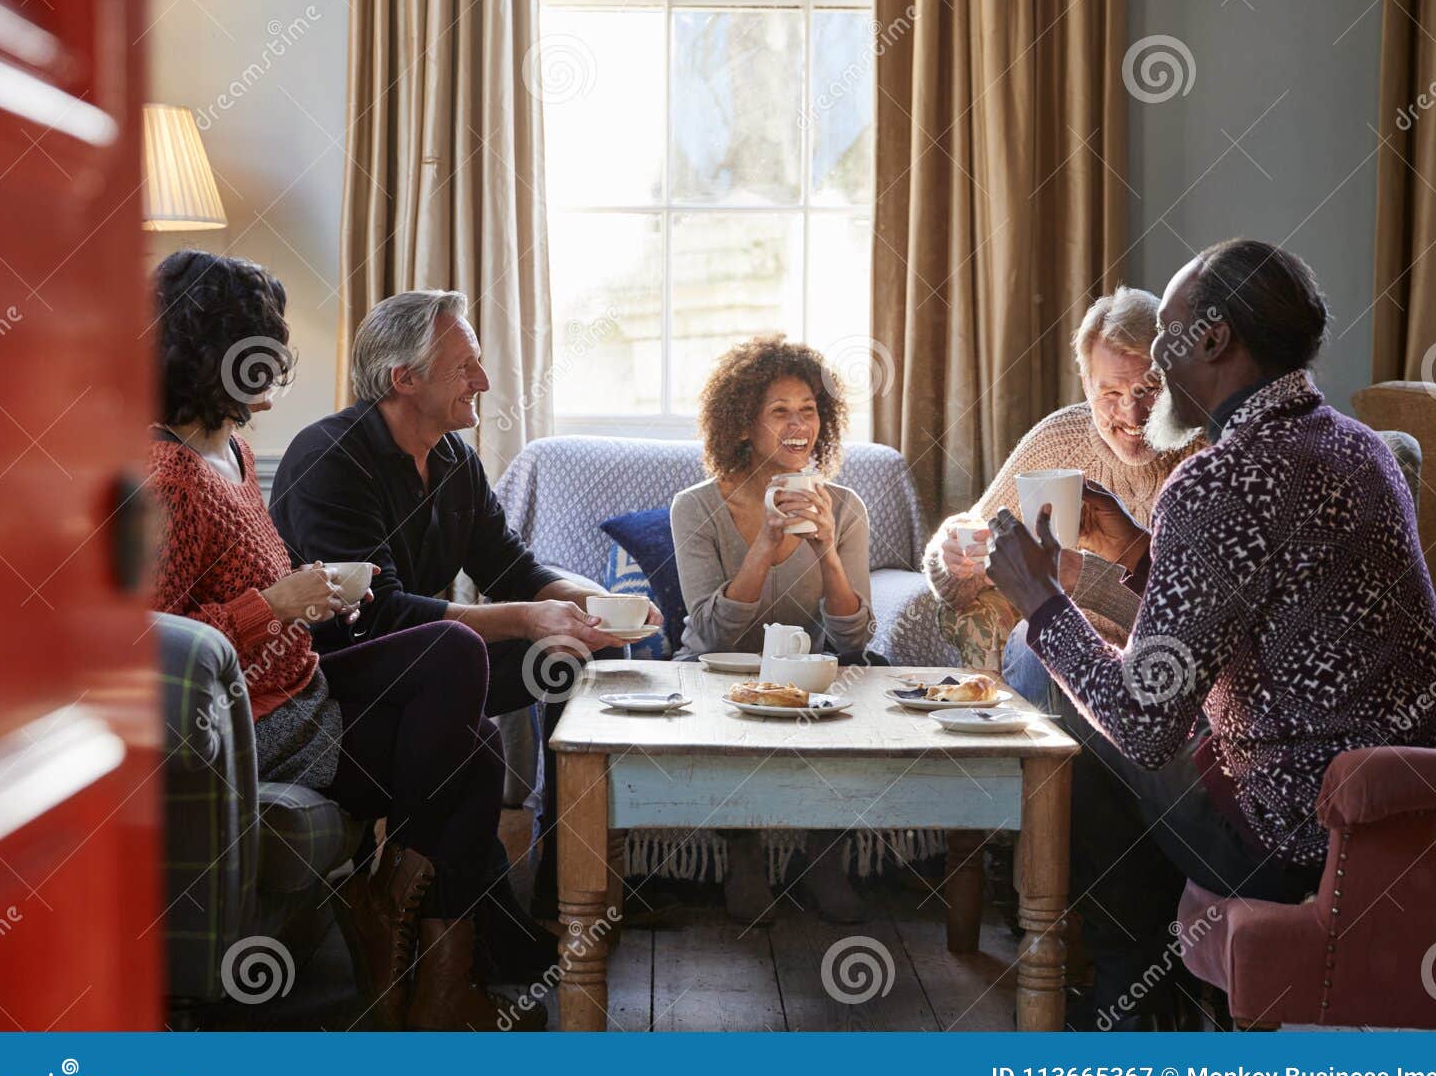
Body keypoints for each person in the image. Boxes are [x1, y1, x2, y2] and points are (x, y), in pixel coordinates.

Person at [985, 238, 1436, 1027]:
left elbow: (1146, 725)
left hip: (1302, 841)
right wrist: (1138, 550)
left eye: (1168, 337)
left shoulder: (1218, 477)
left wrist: (1039, 600)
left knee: (1039, 669)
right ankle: (1142, 992)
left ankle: (1127, 985)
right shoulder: (1359, 447)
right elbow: (1277, 601)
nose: (1156, 366)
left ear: (1214, 339)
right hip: (1426, 806)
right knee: (1073, 672)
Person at [145, 251, 539, 1031]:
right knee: (463, 698)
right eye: (263, 340)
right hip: (261, 728)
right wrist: (276, 602)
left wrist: (311, 596)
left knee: (472, 733)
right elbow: (153, 649)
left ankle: (417, 951)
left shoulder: (230, 454)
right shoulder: (168, 475)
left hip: (308, 686)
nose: (280, 360)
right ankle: (440, 968)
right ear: (211, 352)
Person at [269, 289, 661, 925]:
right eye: (464, 368)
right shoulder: (332, 458)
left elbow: (514, 571)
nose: (482, 380)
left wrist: (600, 604)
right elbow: (379, 614)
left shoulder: (455, 462)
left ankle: (564, 883)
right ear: (405, 379)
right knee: (473, 726)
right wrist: (529, 617)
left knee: (562, 653)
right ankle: (448, 922)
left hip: (431, 668)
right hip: (340, 673)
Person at [671, 336, 874, 924]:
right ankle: (743, 855)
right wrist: (762, 549)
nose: (798, 424)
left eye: (808, 409)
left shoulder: (845, 505)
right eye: (779, 410)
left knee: (869, 675)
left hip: (808, 667)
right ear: (742, 425)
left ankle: (824, 856)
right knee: (700, 686)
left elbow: (854, 640)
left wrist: (828, 554)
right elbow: (708, 637)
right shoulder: (695, 507)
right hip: (718, 667)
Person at [923, 287, 1202, 670]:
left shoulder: (1208, 459)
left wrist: (1085, 578)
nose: (1133, 415)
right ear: (1087, 385)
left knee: (1044, 640)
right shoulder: (1060, 440)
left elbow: (1200, 629)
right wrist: (952, 559)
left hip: (1158, 673)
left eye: (1149, 389)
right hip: (1055, 660)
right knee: (1033, 642)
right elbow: (974, 536)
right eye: (1111, 392)